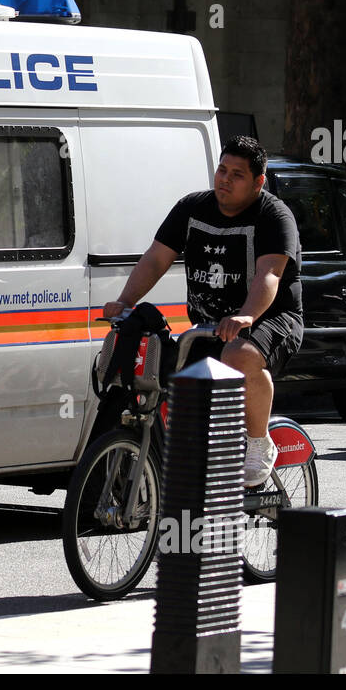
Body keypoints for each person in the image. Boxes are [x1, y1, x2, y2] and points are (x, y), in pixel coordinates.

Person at [104, 135, 303, 487]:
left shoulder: (274, 215)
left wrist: (247, 315)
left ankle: (259, 442)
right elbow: (155, 259)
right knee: (168, 378)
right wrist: (125, 301)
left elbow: (269, 273)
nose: (224, 179)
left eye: (237, 175)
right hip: (209, 326)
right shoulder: (192, 208)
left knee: (239, 354)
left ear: (259, 182)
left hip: (271, 318)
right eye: (222, 170)